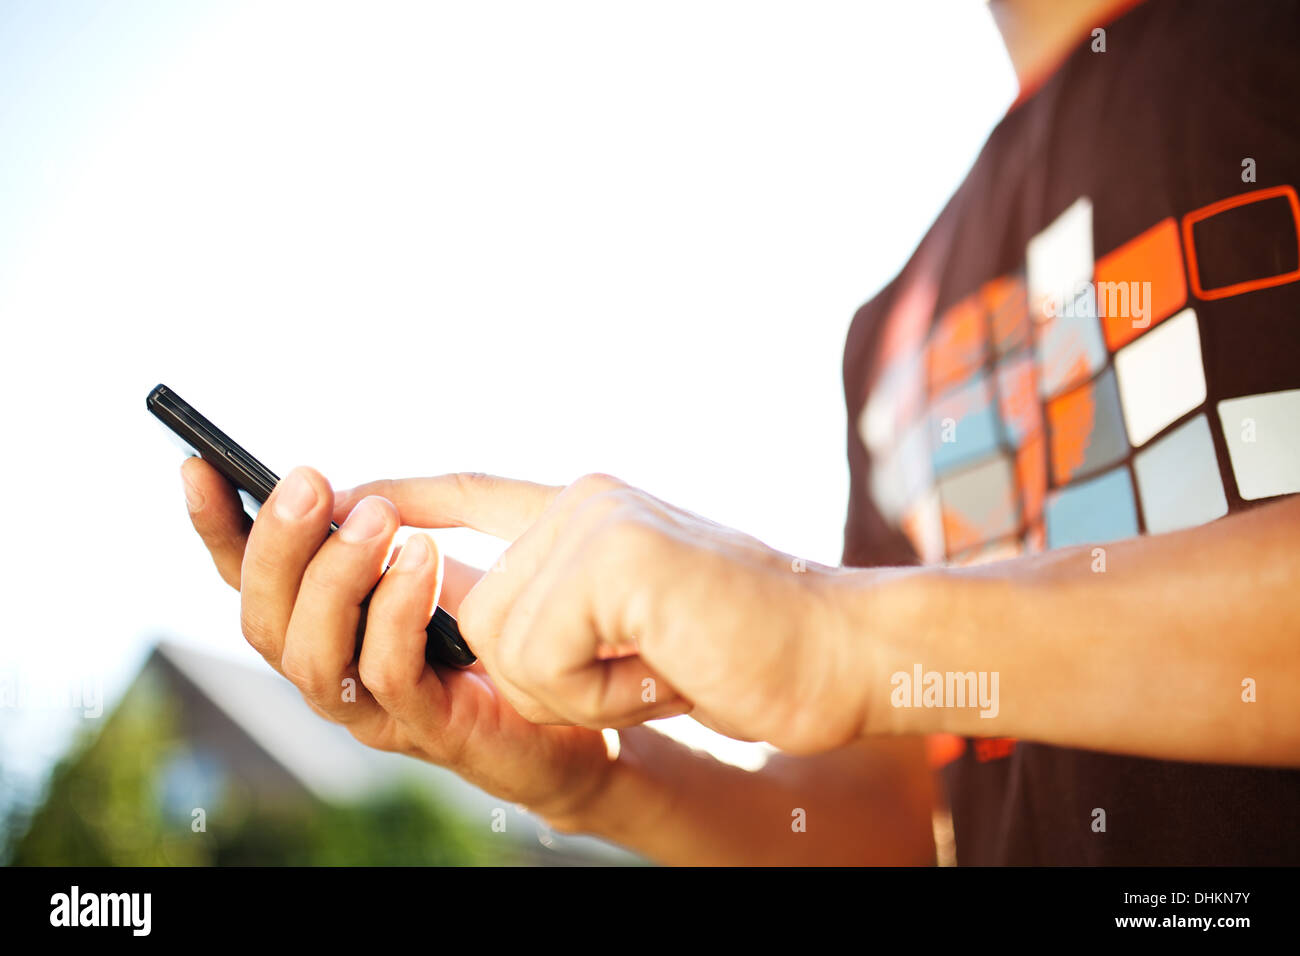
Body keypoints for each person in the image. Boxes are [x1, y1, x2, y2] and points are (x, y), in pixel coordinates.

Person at [178, 0, 1300, 865]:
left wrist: (836, 626)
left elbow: (858, 657)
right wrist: (592, 778)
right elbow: (897, 819)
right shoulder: (891, 324)